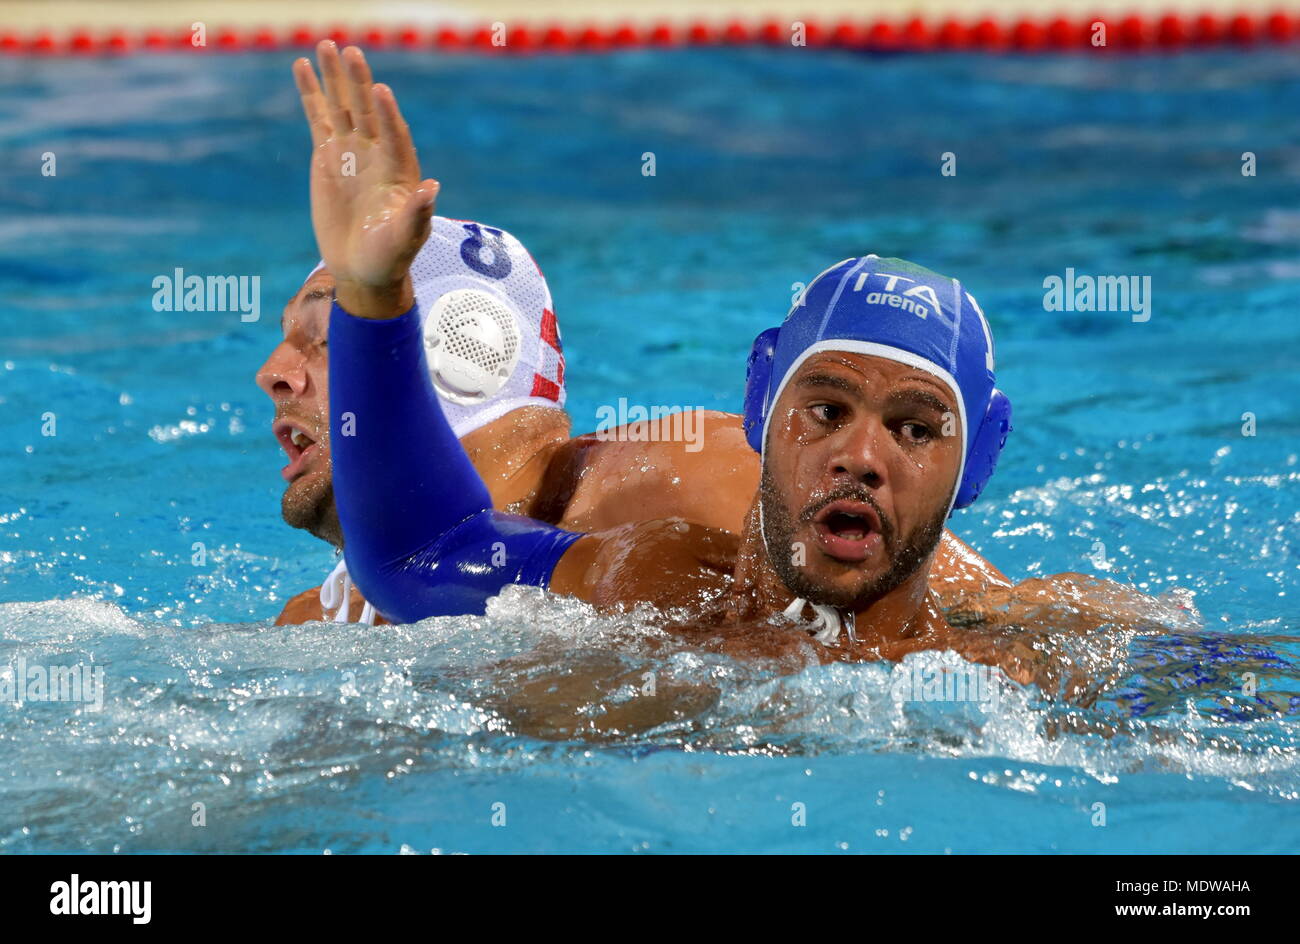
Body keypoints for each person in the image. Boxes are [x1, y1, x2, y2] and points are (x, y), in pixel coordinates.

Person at [298, 43, 1171, 691]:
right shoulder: (650, 586)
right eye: (826, 410)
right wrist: (373, 295)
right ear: (762, 405)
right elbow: (423, 554)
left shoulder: (1026, 681)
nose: (860, 455)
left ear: (974, 461)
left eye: (914, 428)